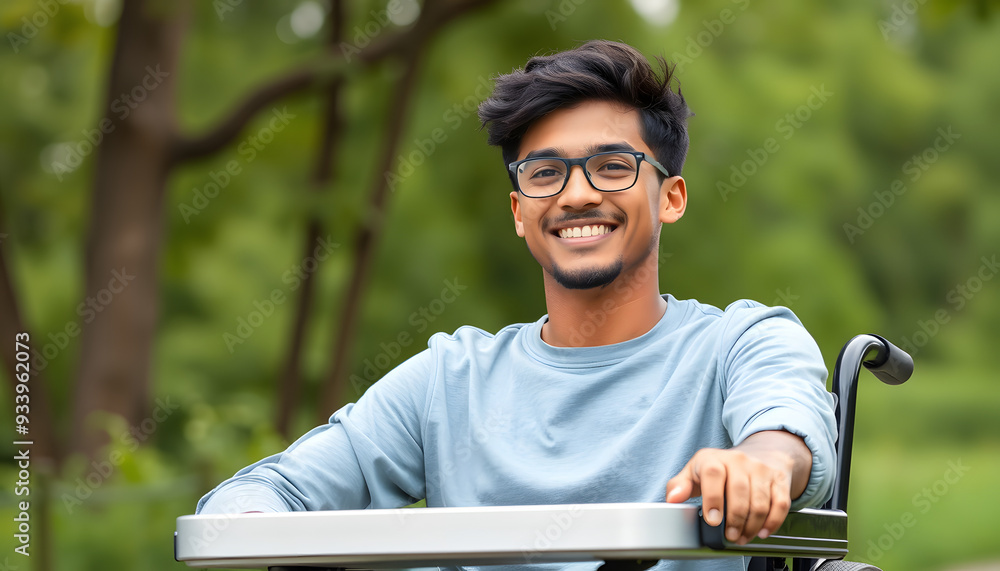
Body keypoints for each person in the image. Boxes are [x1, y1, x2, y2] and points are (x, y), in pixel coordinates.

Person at [196, 40, 837, 571]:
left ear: (670, 197)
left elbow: (787, 435)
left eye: (613, 166)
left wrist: (755, 467)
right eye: (544, 173)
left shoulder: (743, 342)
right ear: (518, 211)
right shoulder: (450, 380)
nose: (577, 195)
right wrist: (260, 524)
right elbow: (262, 493)